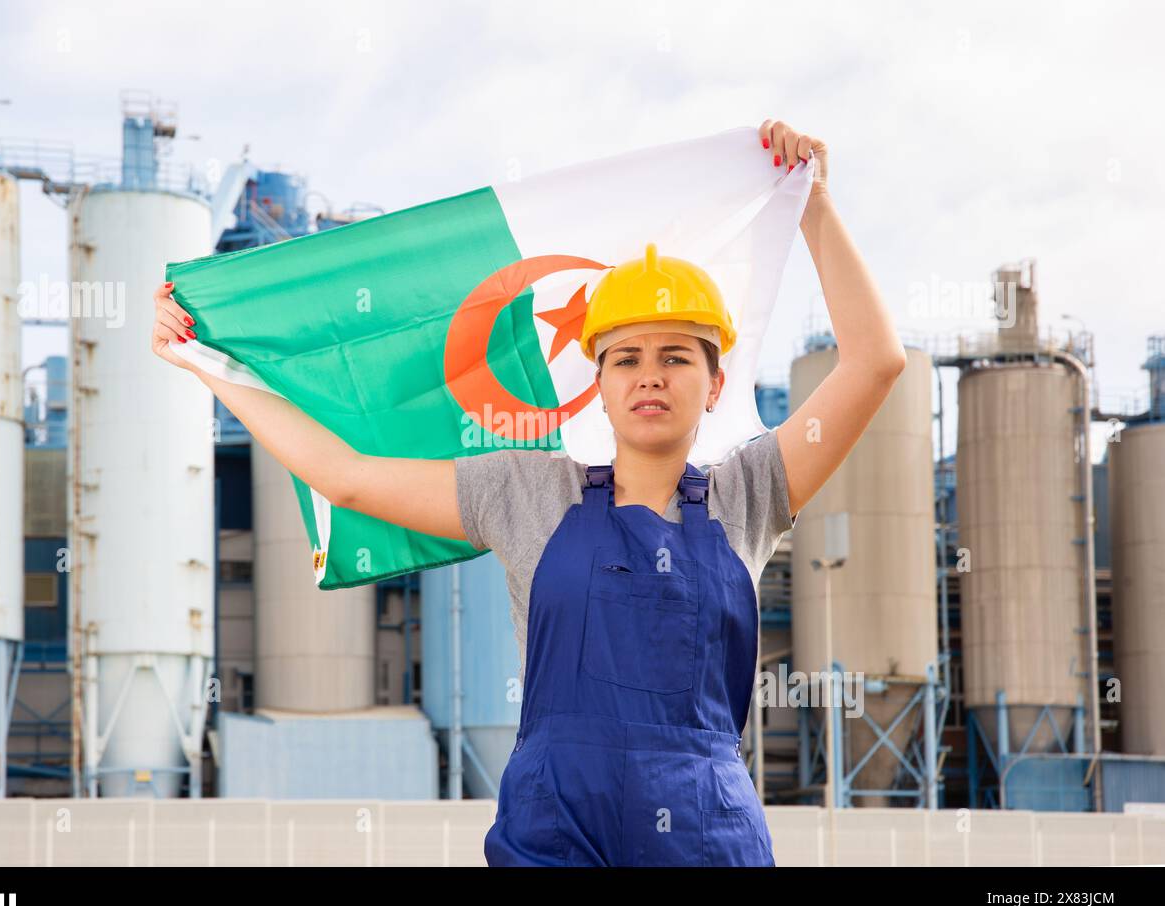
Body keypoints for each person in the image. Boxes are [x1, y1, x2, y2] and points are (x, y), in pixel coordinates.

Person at [150, 119, 906, 865]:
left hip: (705, 835)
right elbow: (343, 475)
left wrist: (815, 206)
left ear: (714, 385)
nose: (650, 374)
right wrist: (212, 368)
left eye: (677, 357)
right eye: (626, 358)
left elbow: (875, 362)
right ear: (599, 388)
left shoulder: (753, 492)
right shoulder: (525, 491)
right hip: (555, 833)